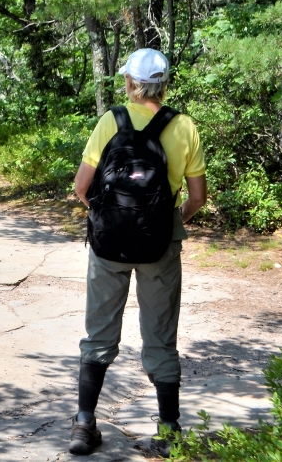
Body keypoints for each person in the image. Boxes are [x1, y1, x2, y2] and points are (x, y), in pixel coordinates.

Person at [67, 48, 208, 457]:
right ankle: (168, 431)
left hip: (109, 243)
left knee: (98, 333)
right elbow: (198, 196)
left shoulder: (111, 120)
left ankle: (83, 424)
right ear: (164, 84)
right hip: (160, 244)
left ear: (130, 83)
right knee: (161, 337)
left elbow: (81, 187)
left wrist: (109, 217)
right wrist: (168, 218)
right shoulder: (184, 127)